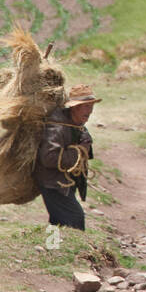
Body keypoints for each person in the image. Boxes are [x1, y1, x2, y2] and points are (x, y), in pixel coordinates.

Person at [33, 85, 100, 231]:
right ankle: (68, 250)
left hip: (63, 182)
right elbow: (49, 158)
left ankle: (53, 249)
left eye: (91, 106)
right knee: (74, 218)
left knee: (57, 221)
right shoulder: (56, 128)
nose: (90, 110)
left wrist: (85, 144)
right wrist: (80, 151)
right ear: (75, 107)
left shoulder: (76, 124)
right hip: (53, 184)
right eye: (86, 106)